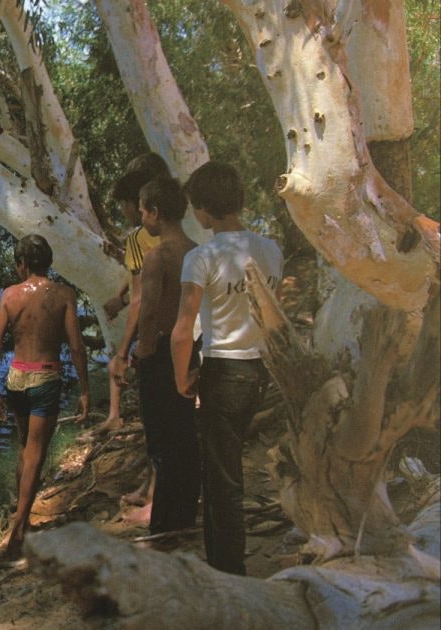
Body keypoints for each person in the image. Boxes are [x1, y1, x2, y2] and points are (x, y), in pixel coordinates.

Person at [172, 161, 282, 575]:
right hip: (259, 372)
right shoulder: (270, 250)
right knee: (228, 474)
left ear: (202, 210)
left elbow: (183, 331)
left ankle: (228, 573)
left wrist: (182, 376)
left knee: (222, 484)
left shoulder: (202, 257)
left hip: (222, 373)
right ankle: (224, 565)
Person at [0, 234, 90, 556]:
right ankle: (19, 529)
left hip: (16, 377)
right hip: (45, 376)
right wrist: (85, 389)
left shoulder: (9, 295)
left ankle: (19, 518)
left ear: (22, 264)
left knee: (25, 448)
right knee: (35, 453)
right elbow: (75, 345)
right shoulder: (63, 294)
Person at [131, 177, 200, 536]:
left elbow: (149, 311)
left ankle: (164, 525)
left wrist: (141, 353)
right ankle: (185, 516)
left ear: (155, 212)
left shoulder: (158, 256)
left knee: (161, 440)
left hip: (160, 354)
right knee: (186, 435)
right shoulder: (196, 251)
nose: (141, 216)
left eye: (143, 210)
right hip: (192, 352)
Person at [100, 153, 171, 435]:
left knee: (158, 420)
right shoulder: (172, 231)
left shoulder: (139, 238)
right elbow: (135, 278)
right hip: (183, 330)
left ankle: (155, 476)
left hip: (156, 331)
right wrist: (121, 297)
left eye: (125, 205)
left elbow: (142, 293)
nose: (125, 211)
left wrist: (124, 351)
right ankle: (114, 417)